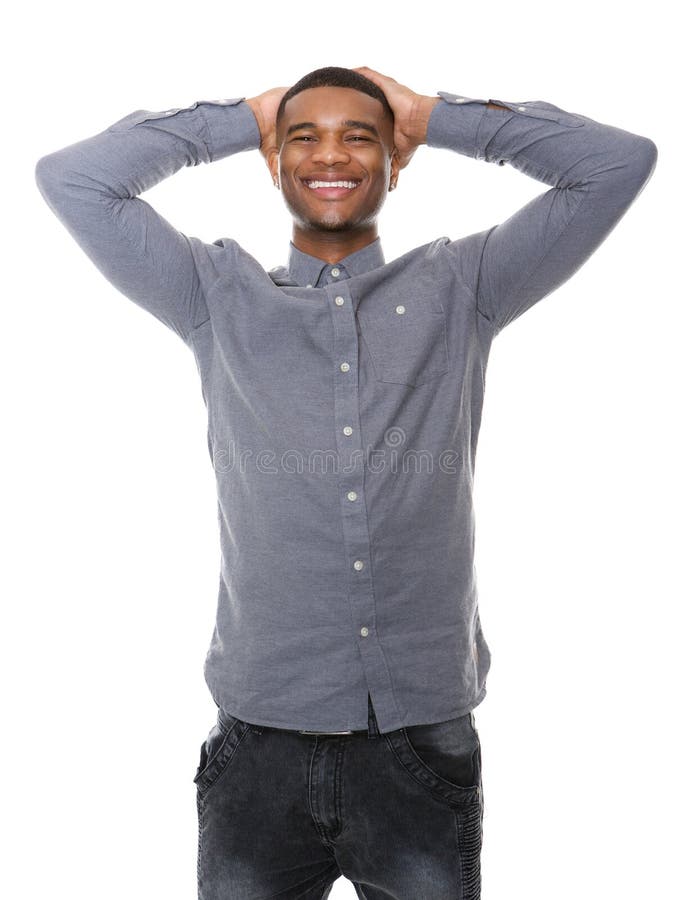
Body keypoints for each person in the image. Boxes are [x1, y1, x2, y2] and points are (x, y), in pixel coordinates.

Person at [34, 65, 657, 900]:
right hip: (258, 742)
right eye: (305, 137)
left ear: (395, 162)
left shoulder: (462, 285)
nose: (331, 155)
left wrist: (431, 115)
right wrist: (243, 116)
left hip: (419, 740)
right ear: (274, 162)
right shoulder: (216, 294)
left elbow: (615, 164)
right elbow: (74, 180)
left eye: (359, 136)